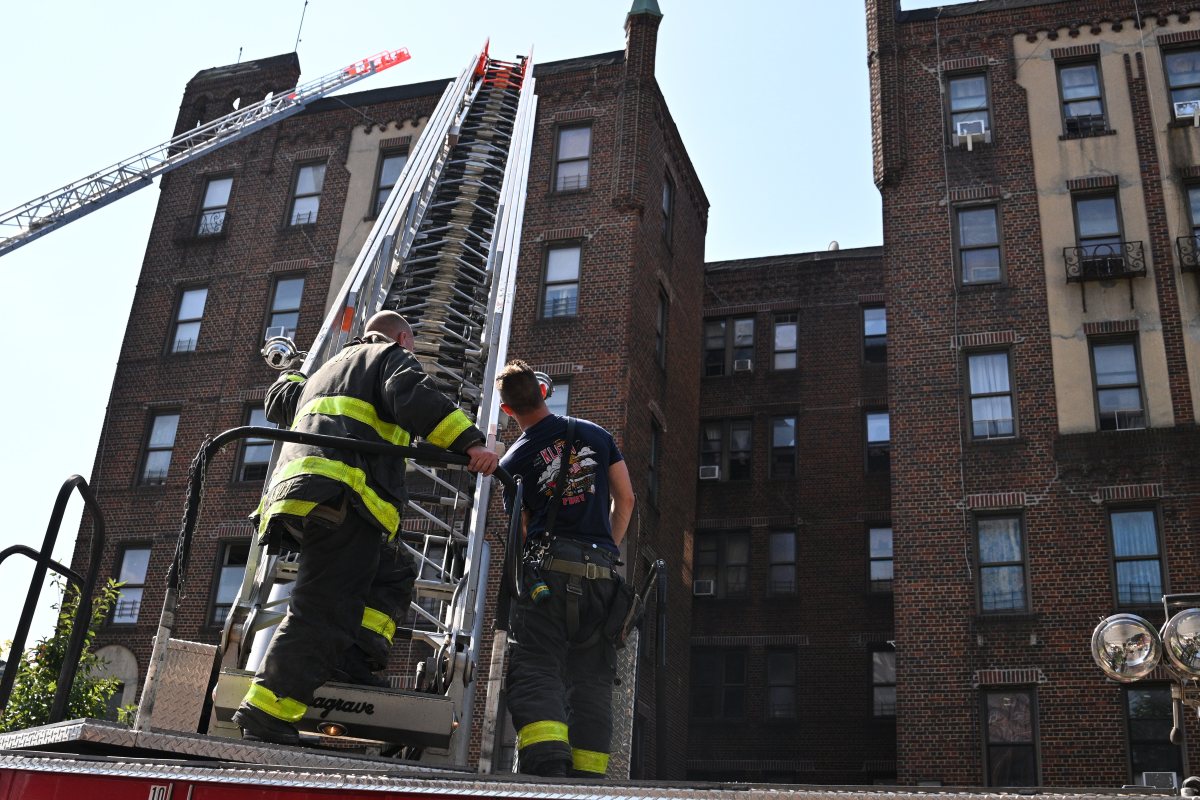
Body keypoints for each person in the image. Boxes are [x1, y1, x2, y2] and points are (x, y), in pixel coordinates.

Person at [232, 310, 498, 745]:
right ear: (403, 340)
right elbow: (413, 397)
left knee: (392, 572)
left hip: (304, 496)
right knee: (323, 606)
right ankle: (268, 708)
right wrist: (473, 443)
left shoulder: (322, 372)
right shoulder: (388, 356)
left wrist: (294, 369)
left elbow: (280, 403)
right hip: (345, 495)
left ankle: (351, 660)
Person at [495, 359, 635, 778]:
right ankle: (589, 777)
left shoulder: (515, 458)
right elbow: (625, 500)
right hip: (602, 581)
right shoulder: (597, 434)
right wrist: (606, 550)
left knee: (537, 666)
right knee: (592, 681)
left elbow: (520, 530)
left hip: (549, 579)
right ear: (542, 392)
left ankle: (547, 765)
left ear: (506, 411)